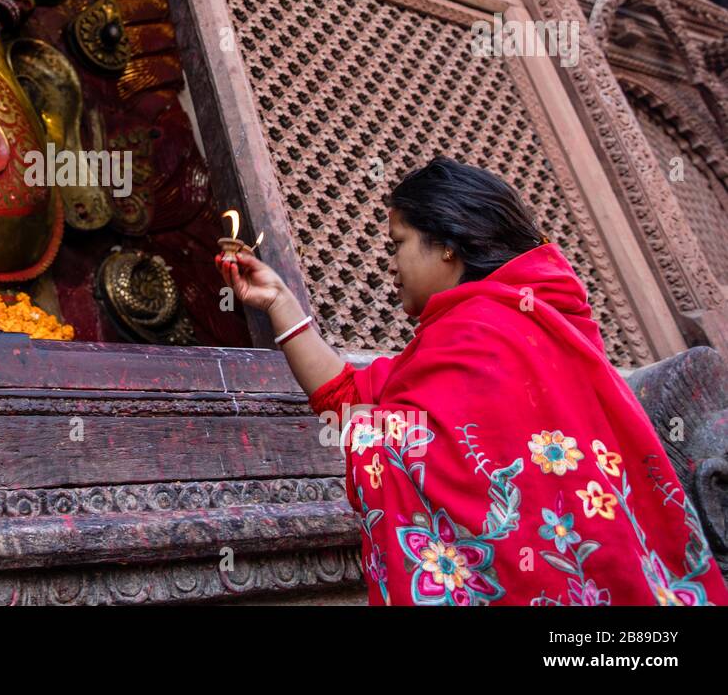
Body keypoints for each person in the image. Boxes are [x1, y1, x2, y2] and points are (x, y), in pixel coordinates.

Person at [217, 156, 728, 606]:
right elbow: (352, 401)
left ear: (446, 244)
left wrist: (377, 439)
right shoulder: (506, 323)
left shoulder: (482, 331)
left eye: (398, 244)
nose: (391, 264)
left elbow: (372, 428)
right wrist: (280, 303)